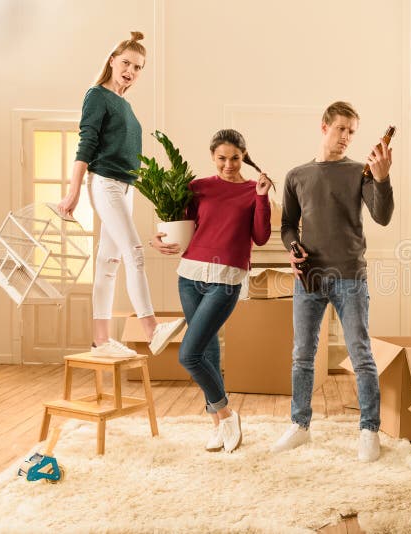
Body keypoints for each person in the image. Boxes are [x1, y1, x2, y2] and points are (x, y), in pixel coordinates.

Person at [271, 101, 394, 463]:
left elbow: (382, 216)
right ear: (324, 127)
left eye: (352, 132)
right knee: (302, 355)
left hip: (350, 276)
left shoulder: (361, 172)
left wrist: (382, 178)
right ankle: (300, 426)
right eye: (341, 129)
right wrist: (292, 247)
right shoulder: (297, 175)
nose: (346, 137)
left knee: (361, 355)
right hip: (309, 277)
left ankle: (369, 430)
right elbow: (288, 225)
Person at [57, 31, 184, 357]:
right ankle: (152, 329)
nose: (131, 70)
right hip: (106, 184)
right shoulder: (97, 95)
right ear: (112, 60)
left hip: (125, 187)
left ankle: (100, 339)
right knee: (134, 253)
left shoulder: (123, 103)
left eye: (138, 67)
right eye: (126, 62)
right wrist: (73, 192)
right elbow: (85, 144)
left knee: (109, 261)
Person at [151, 129, 272, 453]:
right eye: (222, 158)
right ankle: (217, 424)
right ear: (212, 157)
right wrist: (157, 238)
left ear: (244, 156)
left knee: (188, 354)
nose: (228, 164)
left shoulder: (252, 190)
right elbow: (179, 225)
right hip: (189, 277)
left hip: (226, 280)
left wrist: (262, 197)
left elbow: (260, 236)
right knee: (207, 351)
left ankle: (227, 414)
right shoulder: (198, 188)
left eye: (235, 158)